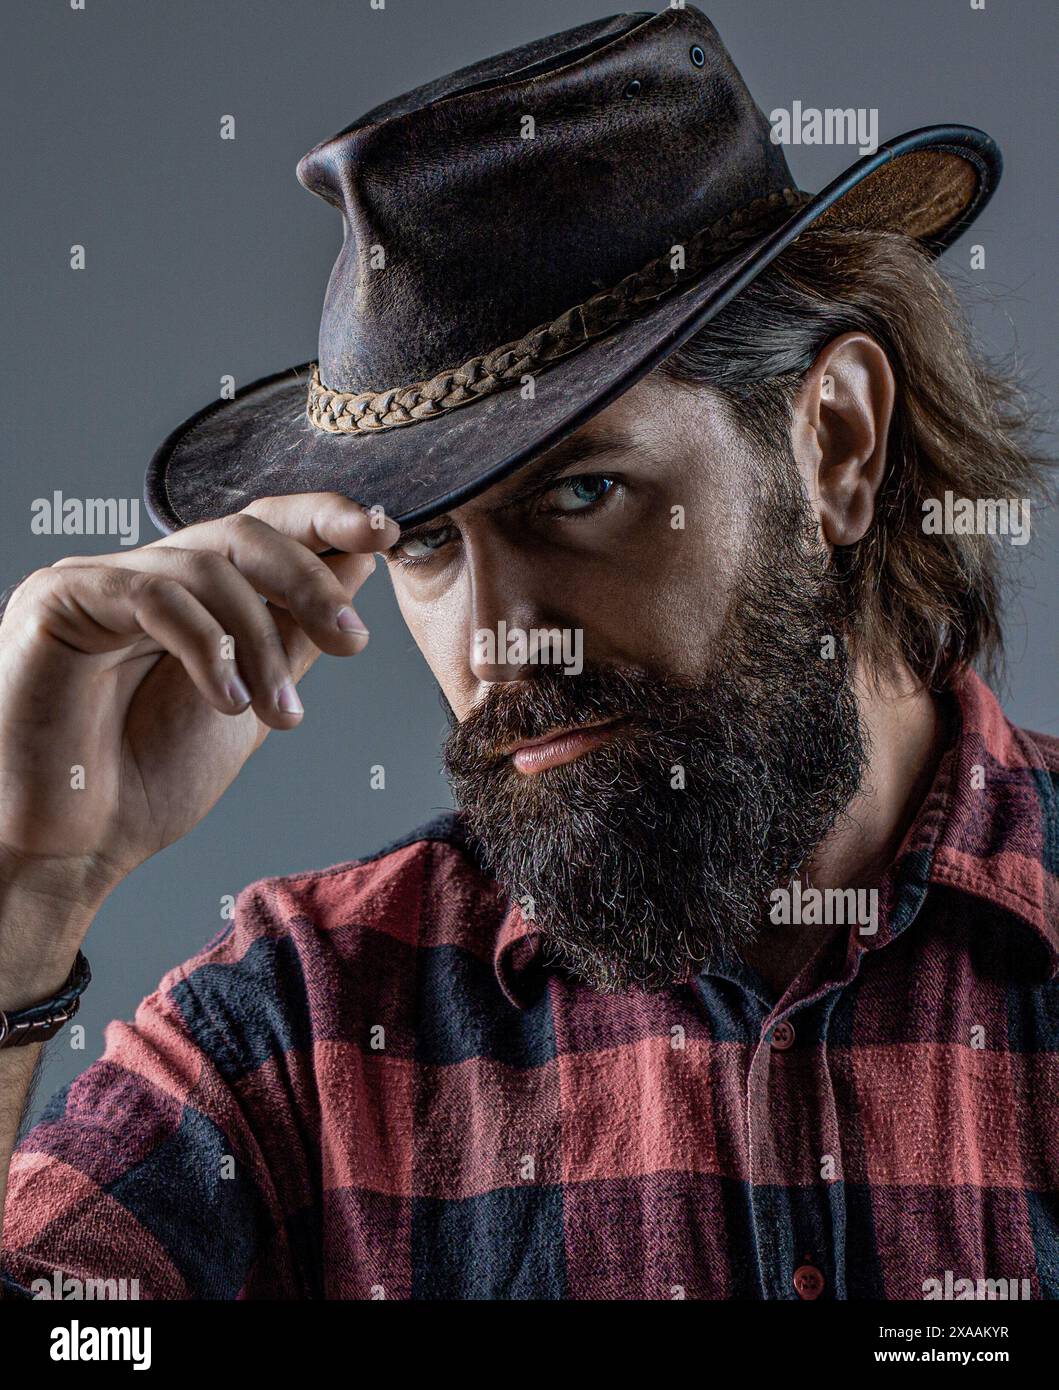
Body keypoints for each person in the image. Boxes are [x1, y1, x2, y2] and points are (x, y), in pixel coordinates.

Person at [0, 8, 1054, 1300]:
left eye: (579, 494)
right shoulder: (301, 1031)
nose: (496, 640)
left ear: (834, 442)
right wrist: (29, 888)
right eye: (425, 541)